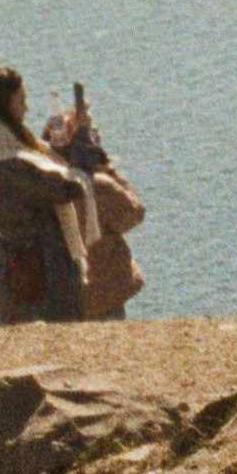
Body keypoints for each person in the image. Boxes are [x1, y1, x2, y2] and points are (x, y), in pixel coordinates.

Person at [0, 69, 138, 327]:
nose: (26, 108)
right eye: (20, 101)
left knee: (23, 341)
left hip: (12, 260)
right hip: (44, 265)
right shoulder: (8, 160)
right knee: (60, 338)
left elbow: (38, 172)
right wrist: (82, 139)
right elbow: (68, 187)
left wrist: (57, 143)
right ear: (4, 106)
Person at [42, 81, 150, 319]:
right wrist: (105, 168)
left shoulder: (45, 185)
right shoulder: (99, 187)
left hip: (61, 296)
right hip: (104, 292)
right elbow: (135, 213)